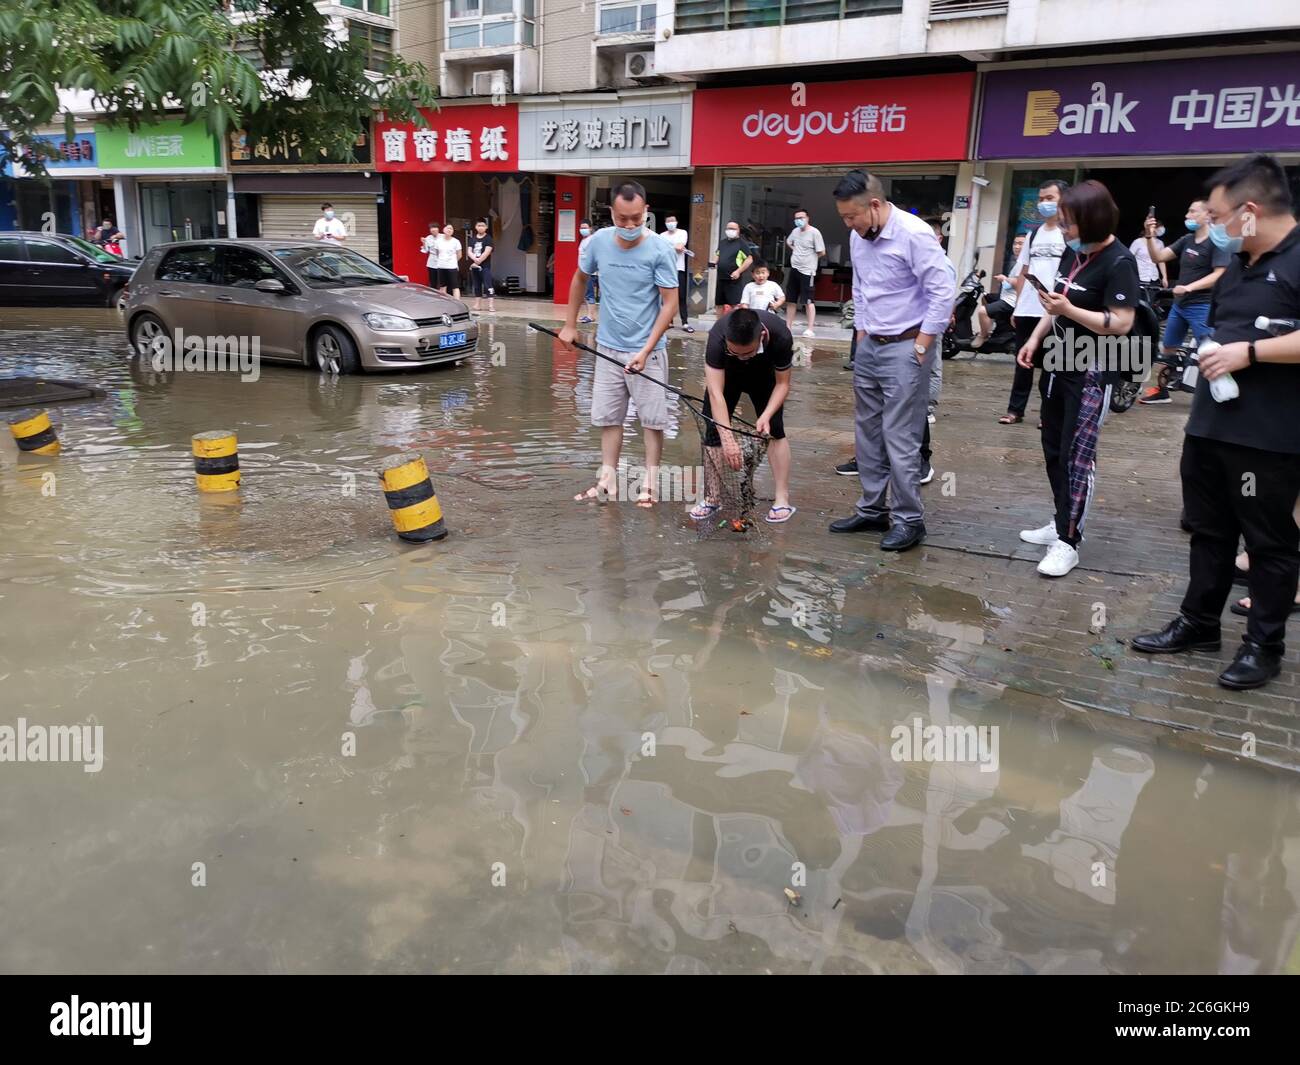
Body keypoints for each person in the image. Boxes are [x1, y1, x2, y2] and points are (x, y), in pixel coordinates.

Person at [1132, 154, 1300, 691]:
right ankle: (1199, 624)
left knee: (1269, 544)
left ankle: (1262, 646)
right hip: (1209, 428)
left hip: (1267, 439)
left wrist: (1250, 353)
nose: (1216, 228)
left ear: (1249, 212)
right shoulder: (1240, 265)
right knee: (1208, 533)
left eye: (1222, 217)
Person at [1015, 179, 1139, 578]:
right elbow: (1055, 303)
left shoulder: (1120, 262)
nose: (1064, 231)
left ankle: (1069, 542)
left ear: (1092, 221)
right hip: (1058, 361)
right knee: (1052, 447)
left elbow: (1120, 323)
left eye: (1069, 224)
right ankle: (1060, 518)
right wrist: (1035, 339)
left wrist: (1069, 309)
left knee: (1077, 456)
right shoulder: (1075, 255)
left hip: (1093, 368)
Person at [827, 170, 954, 552]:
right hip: (871, 344)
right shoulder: (858, 236)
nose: (848, 224)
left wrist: (922, 345)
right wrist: (863, 331)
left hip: (907, 345)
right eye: (844, 218)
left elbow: (943, 290)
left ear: (876, 205)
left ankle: (908, 520)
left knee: (900, 434)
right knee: (867, 431)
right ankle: (871, 508)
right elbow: (862, 287)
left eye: (853, 216)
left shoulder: (914, 234)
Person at [560, 181, 679, 507]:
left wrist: (645, 350)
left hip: (648, 351)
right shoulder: (597, 243)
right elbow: (580, 279)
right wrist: (570, 325)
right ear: (611, 212)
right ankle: (607, 481)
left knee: (652, 421)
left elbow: (670, 305)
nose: (629, 226)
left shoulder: (660, 249)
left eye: (636, 219)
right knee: (609, 417)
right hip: (608, 347)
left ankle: (650, 483)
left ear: (646, 212)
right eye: (622, 218)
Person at [689, 308, 795, 524]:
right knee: (713, 430)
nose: (741, 356)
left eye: (746, 352)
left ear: (761, 338)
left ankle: (782, 499)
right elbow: (715, 392)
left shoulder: (780, 335)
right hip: (728, 377)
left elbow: (783, 384)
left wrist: (766, 415)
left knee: (775, 430)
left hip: (764, 377)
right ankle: (712, 498)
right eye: (734, 351)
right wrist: (727, 438)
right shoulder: (717, 337)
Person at [1137, 199, 1231, 404]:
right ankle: (1162, 390)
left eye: (1193, 211)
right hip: (1180, 305)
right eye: (1188, 211)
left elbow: (1219, 274)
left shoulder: (1218, 242)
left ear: (1208, 215)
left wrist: (1189, 287)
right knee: (1168, 349)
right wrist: (1150, 235)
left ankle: (1214, 396)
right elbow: (1158, 256)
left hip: (1202, 305)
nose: (1187, 215)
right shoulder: (1187, 240)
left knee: (1210, 352)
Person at [1001, 179, 1069, 425]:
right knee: (1022, 362)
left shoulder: (1069, 234)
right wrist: (1017, 305)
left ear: (1064, 199)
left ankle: (1047, 414)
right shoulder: (1034, 234)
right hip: (1028, 308)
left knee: (1051, 365)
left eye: (1050, 198)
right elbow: (1024, 272)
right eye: (1041, 198)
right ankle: (1015, 410)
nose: (1044, 203)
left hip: (1056, 310)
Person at [975, 234, 1025, 347]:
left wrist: (1005, 279)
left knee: (982, 311)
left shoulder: (1024, 264)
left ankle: (983, 336)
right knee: (986, 297)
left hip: (1012, 300)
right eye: (1015, 243)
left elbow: (1020, 283)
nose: (1016, 247)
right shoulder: (1017, 261)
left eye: (1020, 244)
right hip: (1006, 296)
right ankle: (990, 325)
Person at [784, 208, 826, 338]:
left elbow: (822, 252)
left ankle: (810, 328)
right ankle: (788, 327)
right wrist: (796, 251)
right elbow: (788, 242)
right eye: (796, 218)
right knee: (791, 300)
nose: (799, 220)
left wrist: (810, 259)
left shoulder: (815, 233)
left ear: (808, 218)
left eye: (801, 218)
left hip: (808, 271)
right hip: (794, 268)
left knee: (808, 300)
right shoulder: (795, 231)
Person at [659, 213, 695, 333]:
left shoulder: (682, 233)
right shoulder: (661, 235)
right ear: (665, 223)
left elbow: (680, 246)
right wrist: (673, 247)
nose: (671, 223)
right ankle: (669, 321)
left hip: (679, 268)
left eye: (672, 220)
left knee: (681, 296)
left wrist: (669, 247)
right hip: (665, 269)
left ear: (676, 222)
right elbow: (661, 250)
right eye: (668, 221)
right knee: (667, 296)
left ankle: (685, 322)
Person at [711, 221, 754, 314]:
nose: (730, 230)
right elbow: (717, 254)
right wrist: (714, 263)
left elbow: (749, 259)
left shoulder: (741, 244)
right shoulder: (722, 243)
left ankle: (735, 326)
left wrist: (738, 271)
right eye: (729, 228)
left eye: (733, 229)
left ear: (738, 230)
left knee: (735, 305)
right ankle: (720, 326)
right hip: (721, 278)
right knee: (719, 304)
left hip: (733, 280)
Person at [1129, 220, 1168, 295]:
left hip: (1153, 278)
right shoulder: (1138, 242)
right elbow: (1129, 258)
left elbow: (1161, 261)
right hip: (1140, 277)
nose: (1161, 230)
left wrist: (1164, 277)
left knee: (1151, 301)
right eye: (1159, 227)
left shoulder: (1160, 243)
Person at [467, 218, 495, 313]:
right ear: (475, 227)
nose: (480, 227)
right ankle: (477, 304)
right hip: (475, 265)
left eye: (483, 225)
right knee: (476, 285)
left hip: (485, 266)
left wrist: (477, 261)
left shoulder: (488, 239)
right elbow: (469, 251)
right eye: (479, 225)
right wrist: (474, 259)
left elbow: (487, 252)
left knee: (488, 284)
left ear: (486, 227)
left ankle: (491, 305)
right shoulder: (472, 239)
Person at [434, 223, 462, 298]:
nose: (449, 230)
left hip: (452, 267)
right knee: (442, 286)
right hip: (441, 266)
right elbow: (437, 253)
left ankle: (457, 303)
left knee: (455, 286)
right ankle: (443, 303)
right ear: (443, 230)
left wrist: (453, 262)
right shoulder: (438, 241)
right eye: (448, 228)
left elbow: (459, 255)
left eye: (451, 229)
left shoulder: (456, 241)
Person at [578, 219, 598, 324]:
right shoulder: (584, 240)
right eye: (581, 228)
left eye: (585, 227)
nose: (583, 229)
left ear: (590, 228)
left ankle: (591, 316)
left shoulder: (592, 240)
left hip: (591, 272)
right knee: (587, 294)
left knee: (590, 294)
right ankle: (589, 315)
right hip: (584, 271)